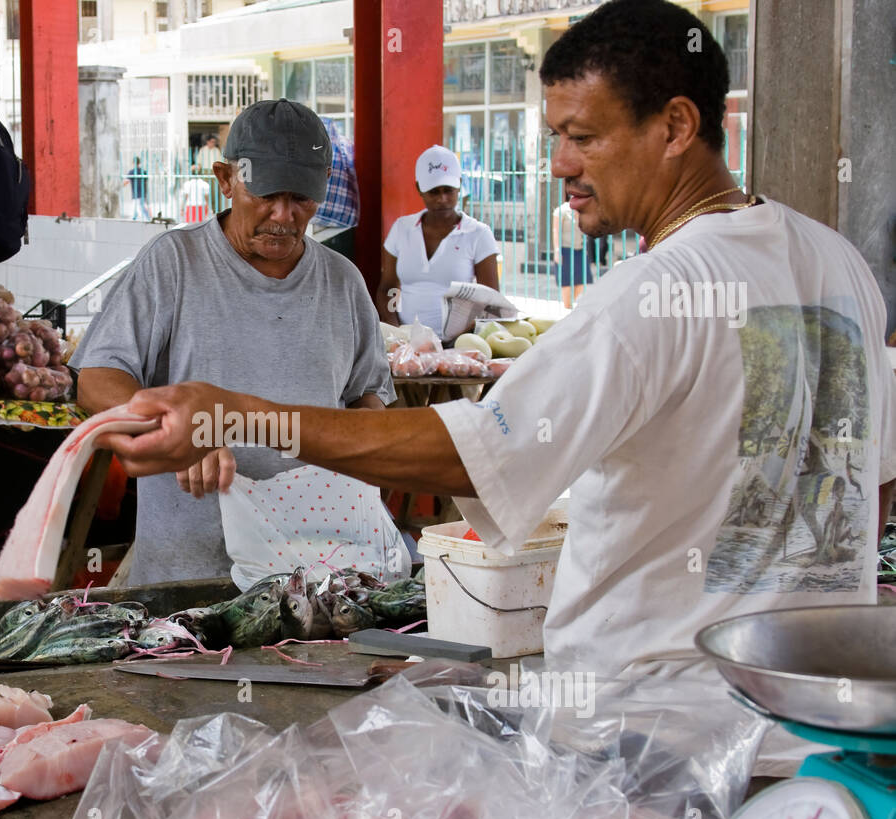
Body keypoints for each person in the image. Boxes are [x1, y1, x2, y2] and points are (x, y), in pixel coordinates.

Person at [96, 0, 896, 770]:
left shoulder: (646, 297)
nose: (560, 167)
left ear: (676, 127)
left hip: (651, 742)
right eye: (555, 136)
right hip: (809, 744)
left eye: (582, 137)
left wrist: (242, 416)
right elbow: (876, 488)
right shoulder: (838, 265)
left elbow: (466, 456)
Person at [71, 98, 395, 588]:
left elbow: (368, 399)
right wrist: (181, 430)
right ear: (226, 179)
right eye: (266, 195)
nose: (284, 216)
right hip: (188, 576)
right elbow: (96, 381)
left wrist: (365, 465)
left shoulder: (342, 282)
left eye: (302, 198)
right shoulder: (174, 262)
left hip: (314, 573)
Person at [376, 145, 500, 334]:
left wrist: (461, 338)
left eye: (448, 190)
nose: (442, 199)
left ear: (459, 184)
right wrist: (396, 330)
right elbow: (388, 289)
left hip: (459, 346)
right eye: (434, 191)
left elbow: (490, 300)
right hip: (408, 341)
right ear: (419, 188)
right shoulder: (402, 229)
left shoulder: (478, 234)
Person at [551, 199, 592, 308]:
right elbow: (556, 231)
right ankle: (568, 307)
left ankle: (576, 308)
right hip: (566, 250)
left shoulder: (583, 211)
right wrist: (557, 250)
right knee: (566, 283)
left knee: (581, 281)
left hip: (580, 249)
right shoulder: (562, 210)